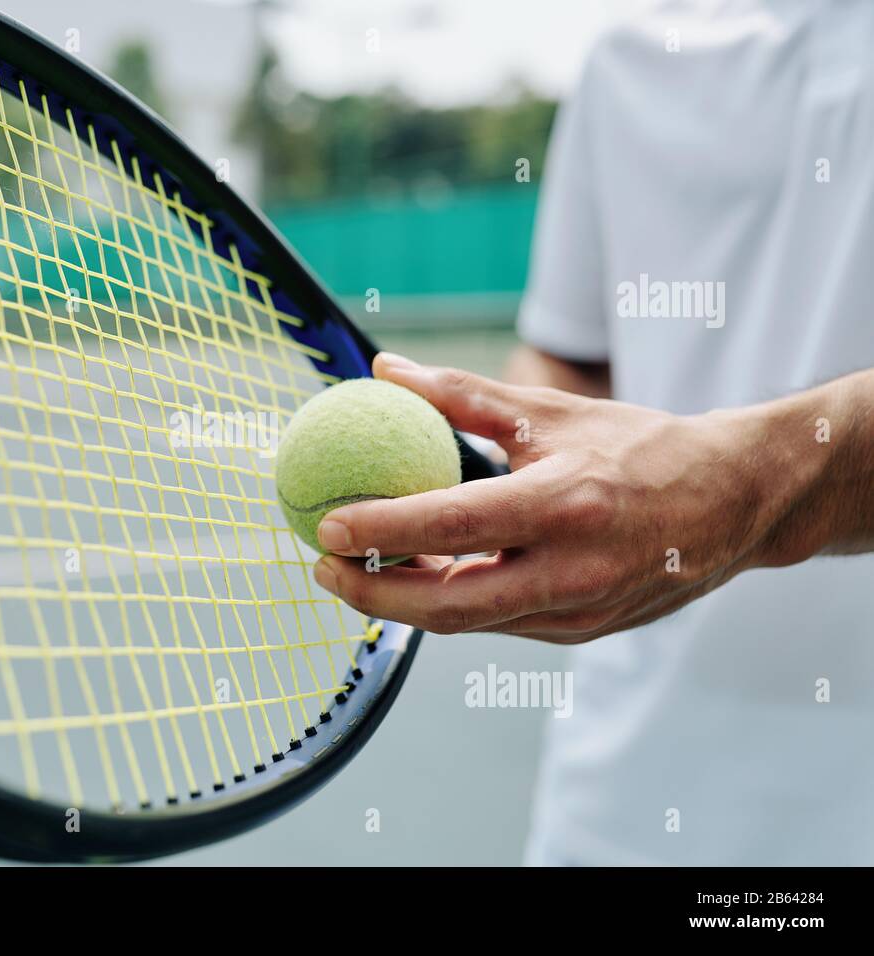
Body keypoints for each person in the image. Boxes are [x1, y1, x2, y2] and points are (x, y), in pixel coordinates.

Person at [310, 0, 874, 865]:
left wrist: (746, 488)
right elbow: (569, 362)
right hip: (621, 809)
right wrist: (511, 471)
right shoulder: (626, 60)